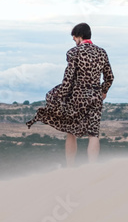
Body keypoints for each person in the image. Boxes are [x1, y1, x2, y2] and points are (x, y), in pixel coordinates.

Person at [26, 22, 113, 167]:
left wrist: (59, 96)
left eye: (74, 37)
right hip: (96, 97)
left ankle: (70, 167)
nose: (74, 40)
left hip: (77, 96)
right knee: (93, 134)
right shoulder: (102, 52)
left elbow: (68, 78)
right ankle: (93, 167)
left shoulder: (73, 52)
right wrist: (103, 91)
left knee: (71, 130)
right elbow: (110, 77)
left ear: (79, 36)